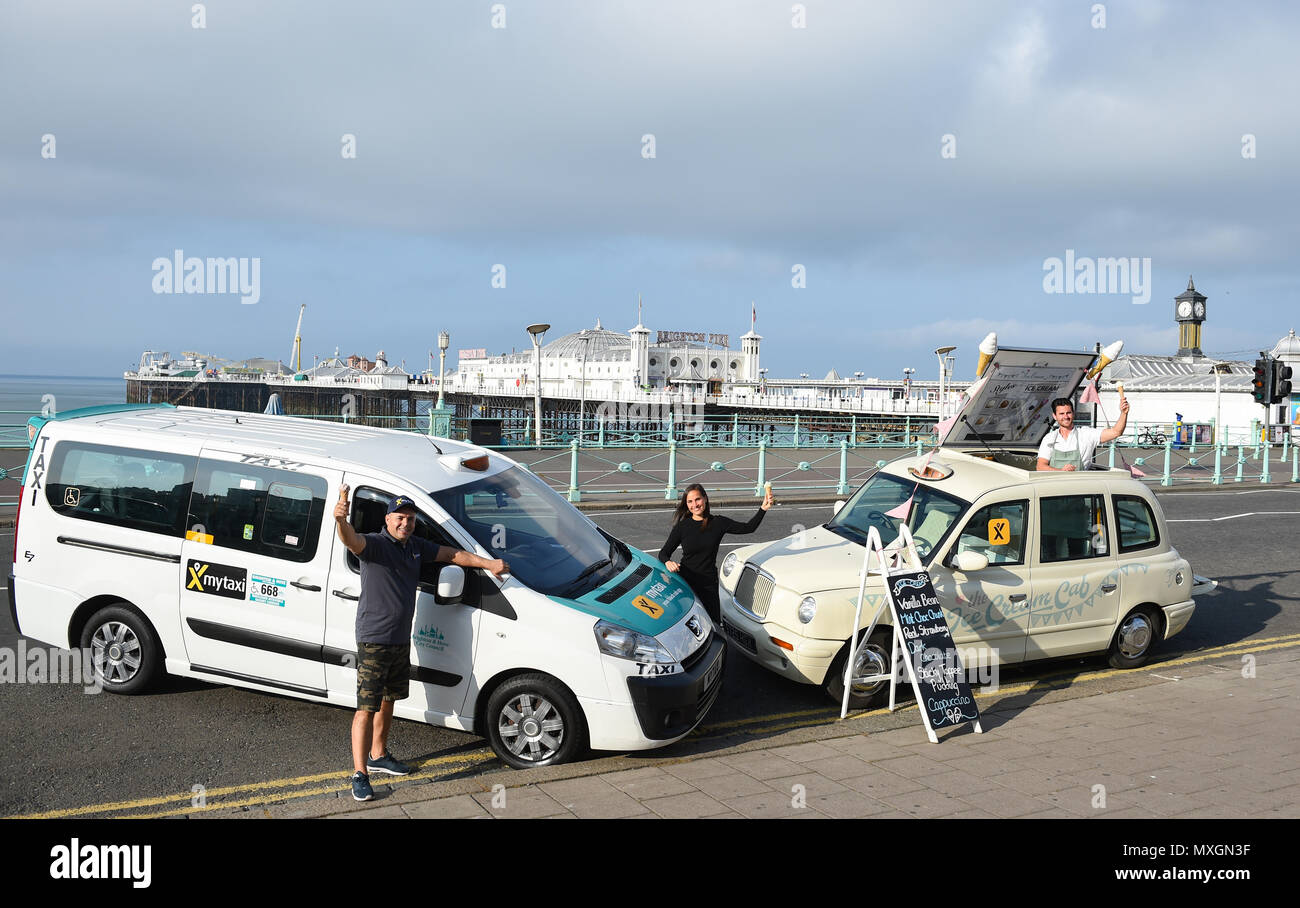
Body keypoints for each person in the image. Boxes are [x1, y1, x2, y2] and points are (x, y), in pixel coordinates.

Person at [334, 486, 508, 802]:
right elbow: (350, 540)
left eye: (411, 518)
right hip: (374, 639)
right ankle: (360, 774)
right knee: (365, 708)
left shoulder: (415, 546)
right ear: (387, 519)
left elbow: (452, 555)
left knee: (389, 699)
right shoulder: (374, 545)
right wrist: (340, 520)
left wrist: (489, 564)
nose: (406, 523)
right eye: (400, 517)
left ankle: (378, 754)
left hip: (401, 638)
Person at [657, 483, 774, 625]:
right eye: (690, 501)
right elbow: (664, 553)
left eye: (697, 499)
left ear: (705, 499)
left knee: (713, 623)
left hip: (708, 583)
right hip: (686, 581)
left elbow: (748, 527)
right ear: (686, 504)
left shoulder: (718, 522)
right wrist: (668, 562)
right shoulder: (682, 527)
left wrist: (763, 508)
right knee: (687, 623)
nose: (695, 504)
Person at [1037, 396, 1129, 471]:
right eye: (1061, 414)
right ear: (1055, 416)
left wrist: (1123, 413)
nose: (1066, 416)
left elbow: (1116, 432)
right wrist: (1061, 472)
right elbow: (1040, 467)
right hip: (1054, 486)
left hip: (1081, 486)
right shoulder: (1049, 438)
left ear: (1073, 413)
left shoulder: (1086, 434)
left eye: (1068, 413)